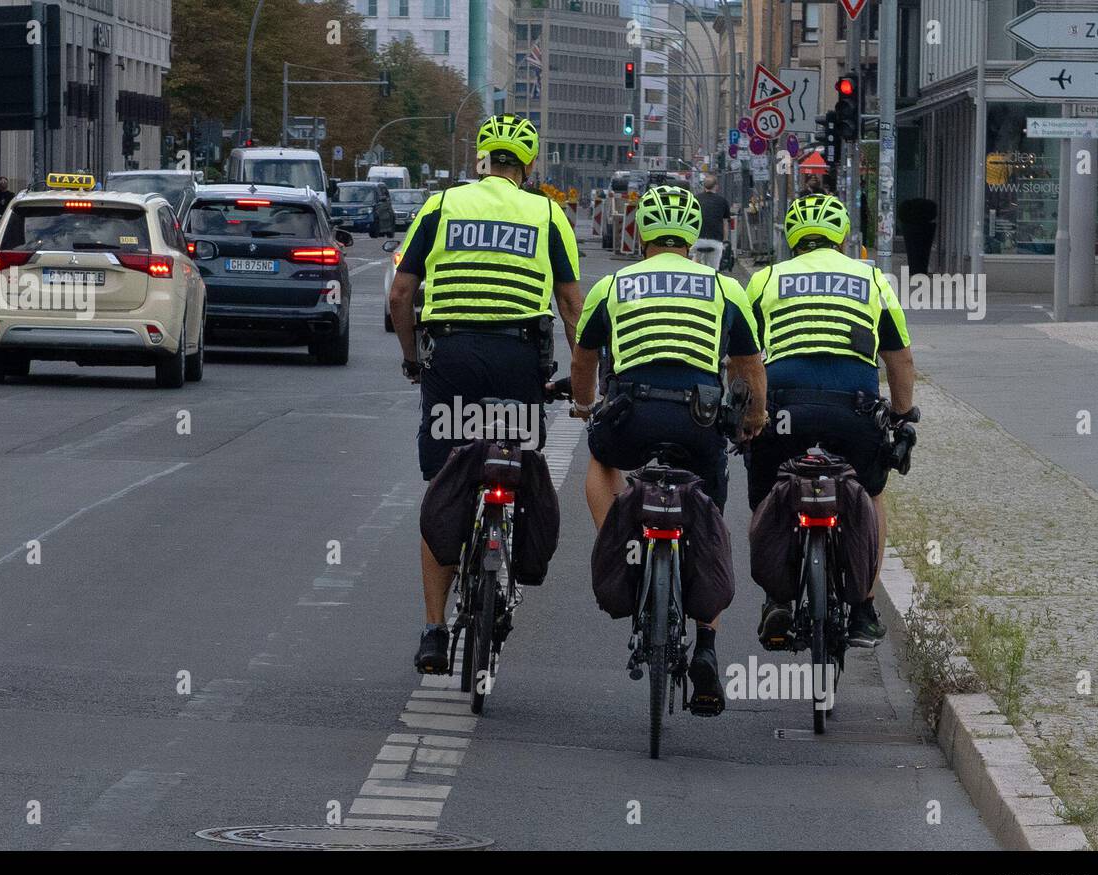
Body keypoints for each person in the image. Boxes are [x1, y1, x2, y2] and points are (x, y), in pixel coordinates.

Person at [388, 114, 583, 675]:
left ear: (481, 159)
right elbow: (572, 305)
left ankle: (433, 628)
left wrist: (411, 358)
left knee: (444, 484)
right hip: (518, 359)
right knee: (514, 465)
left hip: (450, 358)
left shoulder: (442, 206)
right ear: (527, 164)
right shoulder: (547, 213)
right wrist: (582, 377)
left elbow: (402, 292)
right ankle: (505, 558)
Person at [571, 185, 767, 714]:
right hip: (698, 421)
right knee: (707, 514)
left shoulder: (612, 285)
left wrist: (585, 405)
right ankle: (705, 644)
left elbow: (585, 356)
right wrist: (753, 419)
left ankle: (619, 544)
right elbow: (748, 366)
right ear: (692, 235)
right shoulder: (725, 288)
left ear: (641, 233)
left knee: (602, 462)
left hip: (631, 416)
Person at [744, 194, 917, 649]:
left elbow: (743, 356)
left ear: (791, 238)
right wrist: (900, 418)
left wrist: (747, 417)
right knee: (872, 493)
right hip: (854, 412)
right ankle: (861, 608)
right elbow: (899, 359)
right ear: (843, 238)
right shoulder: (872, 278)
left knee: (765, 497)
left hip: (784, 411)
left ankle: (775, 599)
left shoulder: (765, 279)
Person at [690, 175, 730, 269]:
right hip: (715, 241)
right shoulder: (722, 201)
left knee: (694, 262)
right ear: (716, 186)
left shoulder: (695, 199)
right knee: (714, 269)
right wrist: (724, 241)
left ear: (703, 186)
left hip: (696, 241)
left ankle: (694, 269)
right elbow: (725, 224)